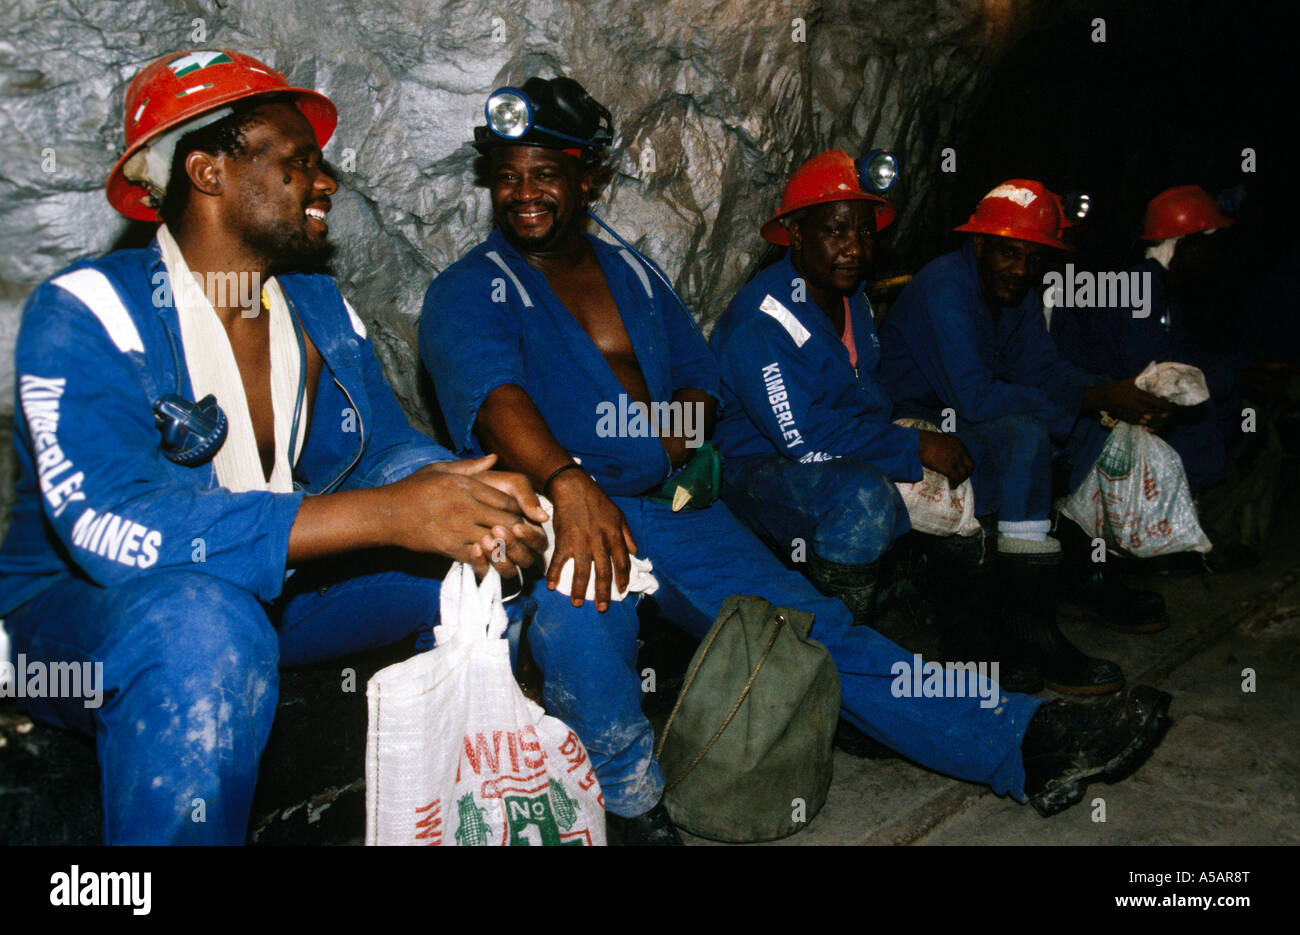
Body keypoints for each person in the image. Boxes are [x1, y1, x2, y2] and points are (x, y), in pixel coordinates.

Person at [420, 80, 1173, 840]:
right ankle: (630, 807)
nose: (525, 192)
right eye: (509, 175)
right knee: (587, 619)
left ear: (586, 178)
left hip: (667, 502)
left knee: (812, 627)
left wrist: (670, 438)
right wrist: (569, 480)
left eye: (546, 171)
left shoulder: (630, 272)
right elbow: (494, 399)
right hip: (557, 504)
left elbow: (696, 371)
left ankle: (1025, 740)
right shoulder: (469, 289)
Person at [0, 49, 547, 845]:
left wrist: (461, 491)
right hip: (83, 620)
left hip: (267, 596)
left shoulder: (315, 308)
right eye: (298, 163)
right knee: (201, 627)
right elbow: (117, 528)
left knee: (501, 552)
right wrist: (389, 512)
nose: (325, 183)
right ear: (209, 171)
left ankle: (452, 819)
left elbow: (382, 451)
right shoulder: (88, 311)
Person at [710, 152, 1098, 695]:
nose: (854, 247)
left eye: (865, 233)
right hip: (758, 471)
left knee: (962, 471)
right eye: (835, 231)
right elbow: (804, 438)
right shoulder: (764, 317)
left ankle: (972, 647)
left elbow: (868, 400)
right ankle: (839, 683)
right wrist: (910, 446)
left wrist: (918, 437)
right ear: (795, 236)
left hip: (834, 448)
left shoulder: (854, 303)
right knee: (863, 496)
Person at [879, 180, 1175, 643]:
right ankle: (1025, 621)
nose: (1021, 270)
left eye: (1035, 259)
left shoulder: (1013, 296)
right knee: (1026, 434)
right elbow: (974, 398)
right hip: (919, 420)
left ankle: (1077, 569)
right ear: (979, 245)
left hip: (969, 412)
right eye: (1009, 254)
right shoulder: (944, 287)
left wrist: (1113, 393)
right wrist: (1089, 399)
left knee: (1094, 429)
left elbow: (1044, 371)